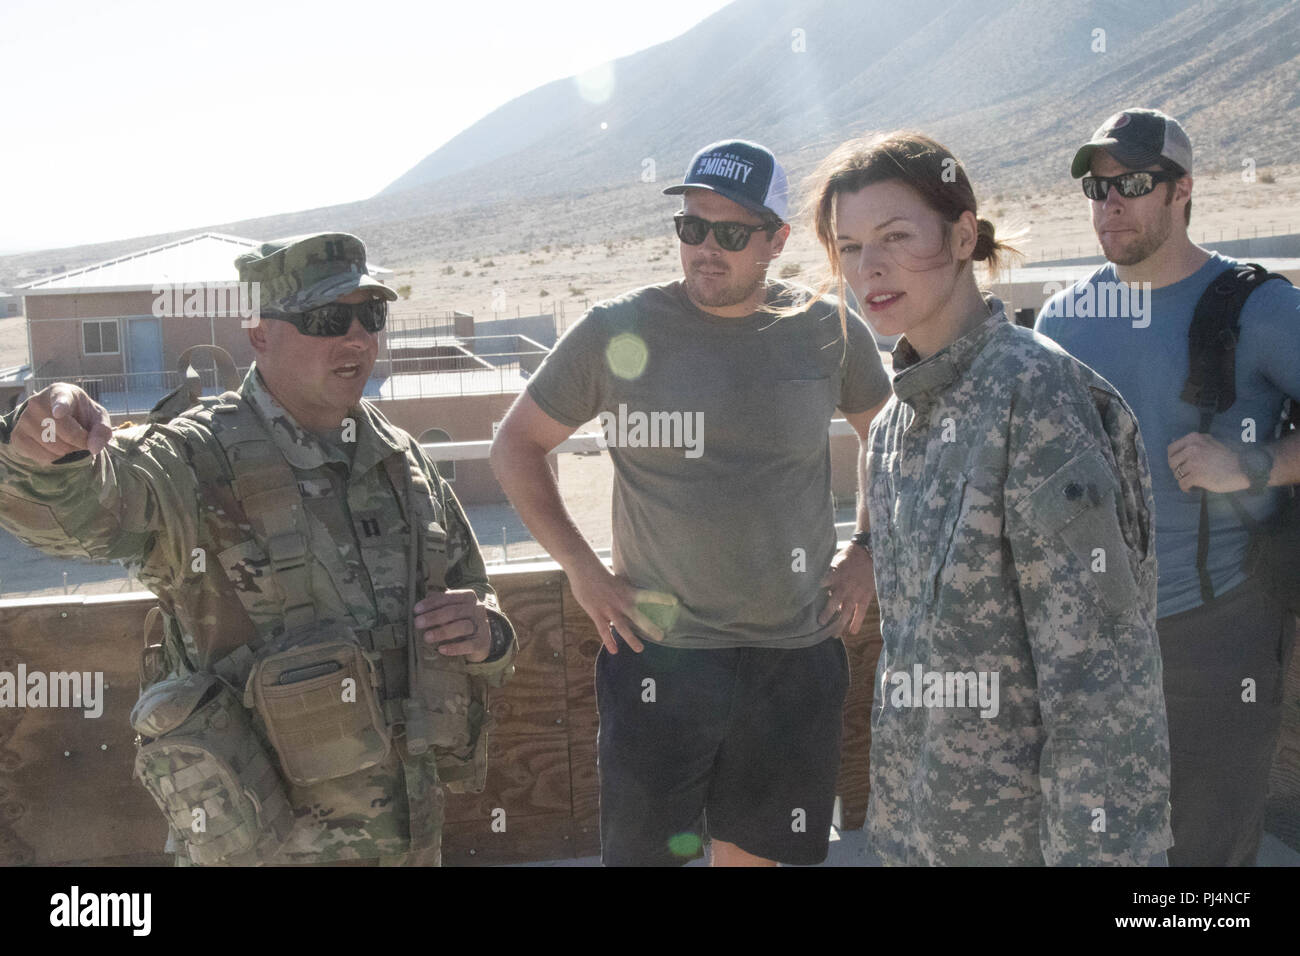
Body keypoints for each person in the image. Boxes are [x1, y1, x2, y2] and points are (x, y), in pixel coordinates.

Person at [0, 232, 517, 866]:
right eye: (327, 319)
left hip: (412, 838)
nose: (356, 338)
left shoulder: (402, 464)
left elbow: (476, 591)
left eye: (370, 315)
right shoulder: (195, 459)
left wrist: (487, 632)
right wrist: (40, 456)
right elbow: (85, 514)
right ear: (260, 336)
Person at [491, 139, 891, 866]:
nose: (707, 249)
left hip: (794, 657)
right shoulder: (617, 330)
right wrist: (583, 569)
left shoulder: (826, 331)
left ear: (776, 241)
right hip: (659, 658)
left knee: (765, 857)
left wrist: (868, 549)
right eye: (692, 228)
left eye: (732, 233)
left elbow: (892, 439)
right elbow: (515, 446)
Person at [807, 130, 1173, 865]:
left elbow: (1102, 680)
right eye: (847, 247)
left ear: (963, 234)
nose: (868, 267)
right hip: (922, 828)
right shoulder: (895, 425)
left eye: (895, 236)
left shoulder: (1034, 397)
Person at [1036, 108, 1300, 866]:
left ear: (1182, 190)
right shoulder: (1065, 318)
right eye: (1097, 185)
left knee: (1204, 858)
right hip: (1088, 635)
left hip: (1217, 631)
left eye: (1134, 183)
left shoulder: (1258, 307)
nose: (1110, 202)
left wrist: (1252, 465)